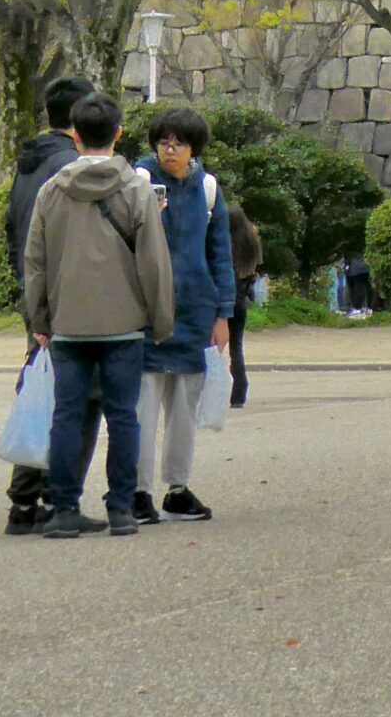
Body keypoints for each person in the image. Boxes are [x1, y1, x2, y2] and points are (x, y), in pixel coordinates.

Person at [24, 91, 174, 539]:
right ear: (118, 133)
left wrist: (40, 319)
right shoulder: (136, 189)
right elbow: (154, 262)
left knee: (67, 416)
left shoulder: (52, 190)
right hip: (123, 324)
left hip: (68, 323)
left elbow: (36, 262)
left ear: (75, 135)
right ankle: (121, 508)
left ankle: (64, 508)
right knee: (123, 416)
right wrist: (160, 319)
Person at [3, 72, 94, 533]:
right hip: (68, 295)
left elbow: (10, 230)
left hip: (34, 291)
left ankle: (24, 502)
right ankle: (60, 500)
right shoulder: (71, 167)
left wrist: (28, 289)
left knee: (41, 391)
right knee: (77, 399)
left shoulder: (27, 164)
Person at [135, 104, 235, 524]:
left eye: (179, 144)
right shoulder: (138, 181)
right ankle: (137, 491)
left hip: (195, 313)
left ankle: (177, 488)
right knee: (141, 409)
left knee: (183, 410)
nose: (170, 151)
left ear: (194, 149)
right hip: (145, 313)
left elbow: (220, 254)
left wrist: (223, 313)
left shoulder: (207, 188)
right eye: (163, 143)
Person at [225, 197, 262, 408]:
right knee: (236, 347)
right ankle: (239, 391)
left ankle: (214, 390)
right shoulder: (250, 243)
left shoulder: (226, 246)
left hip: (226, 299)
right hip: (242, 300)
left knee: (212, 347)